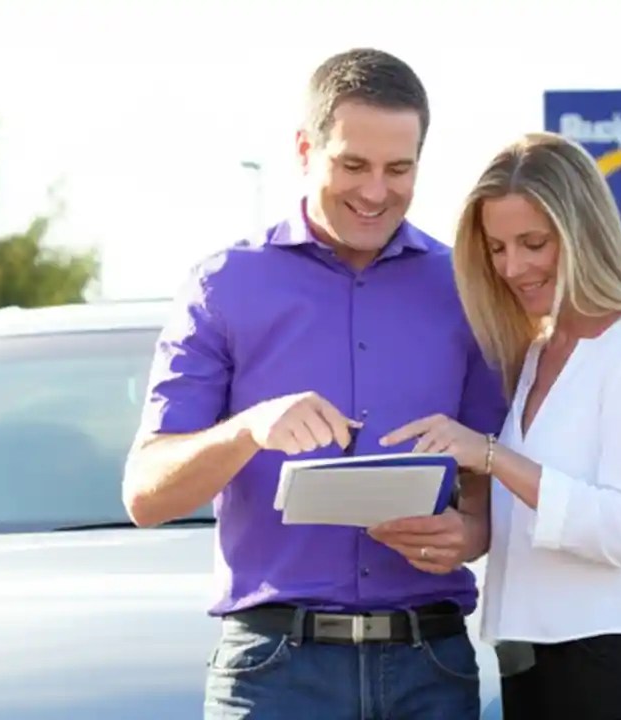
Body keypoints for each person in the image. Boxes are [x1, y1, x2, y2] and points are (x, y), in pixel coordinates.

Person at [122, 48, 507, 718]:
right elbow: (146, 495)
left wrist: (471, 532)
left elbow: (495, 472)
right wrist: (249, 429)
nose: (376, 192)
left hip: (431, 668)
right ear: (306, 149)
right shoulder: (223, 287)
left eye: (399, 169)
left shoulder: (467, 291)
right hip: (274, 675)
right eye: (353, 165)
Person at [378, 132, 621, 719]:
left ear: (583, 232)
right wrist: (461, 532)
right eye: (497, 248)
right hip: (534, 675)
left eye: (533, 243)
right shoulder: (534, 355)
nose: (513, 267)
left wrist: (492, 455)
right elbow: (527, 521)